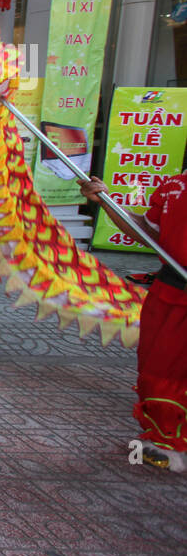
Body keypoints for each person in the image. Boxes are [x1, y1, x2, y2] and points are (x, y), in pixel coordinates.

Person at [81, 173, 187, 472]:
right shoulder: (174, 186)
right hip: (170, 294)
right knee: (158, 370)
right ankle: (164, 442)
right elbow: (148, 231)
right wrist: (106, 201)